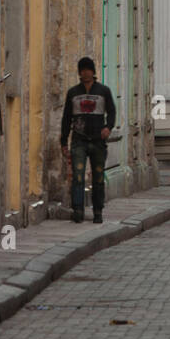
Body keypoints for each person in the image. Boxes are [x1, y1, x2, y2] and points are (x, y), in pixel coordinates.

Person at [60, 57, 116, 224]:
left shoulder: (103, 91)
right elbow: (66, 118)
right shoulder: (73, 93)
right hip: (79, 140)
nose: (85, 73)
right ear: (79, 72)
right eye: (82, 70)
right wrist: (63, 142)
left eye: (88, 70)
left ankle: (98, 210)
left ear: (93, 72)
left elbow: (112, 112)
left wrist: (108, 127)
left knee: (98, 176)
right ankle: (78, 209)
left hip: (98, 141)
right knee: (78, 176)